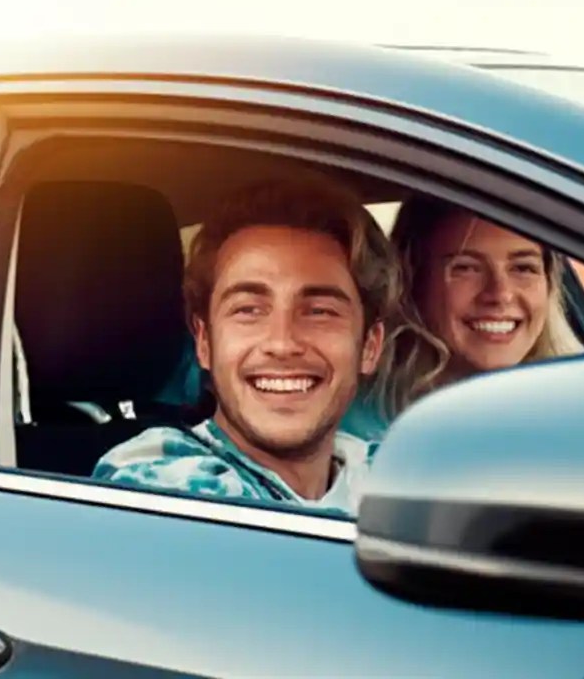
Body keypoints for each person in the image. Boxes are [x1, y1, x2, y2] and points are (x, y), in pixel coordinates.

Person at [92, 176, 401, 515]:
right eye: (248, 310)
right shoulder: (164, 487)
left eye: (319, 312)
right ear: (205, 341)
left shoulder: (381, 474)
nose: (282, 343)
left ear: (370, 346)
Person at [370, 197, 584, 418]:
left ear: (548, 284)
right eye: (466, 268)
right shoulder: (359, 434)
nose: (501, 294)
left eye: (523, 268)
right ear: (411, 281)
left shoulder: (576, 410)